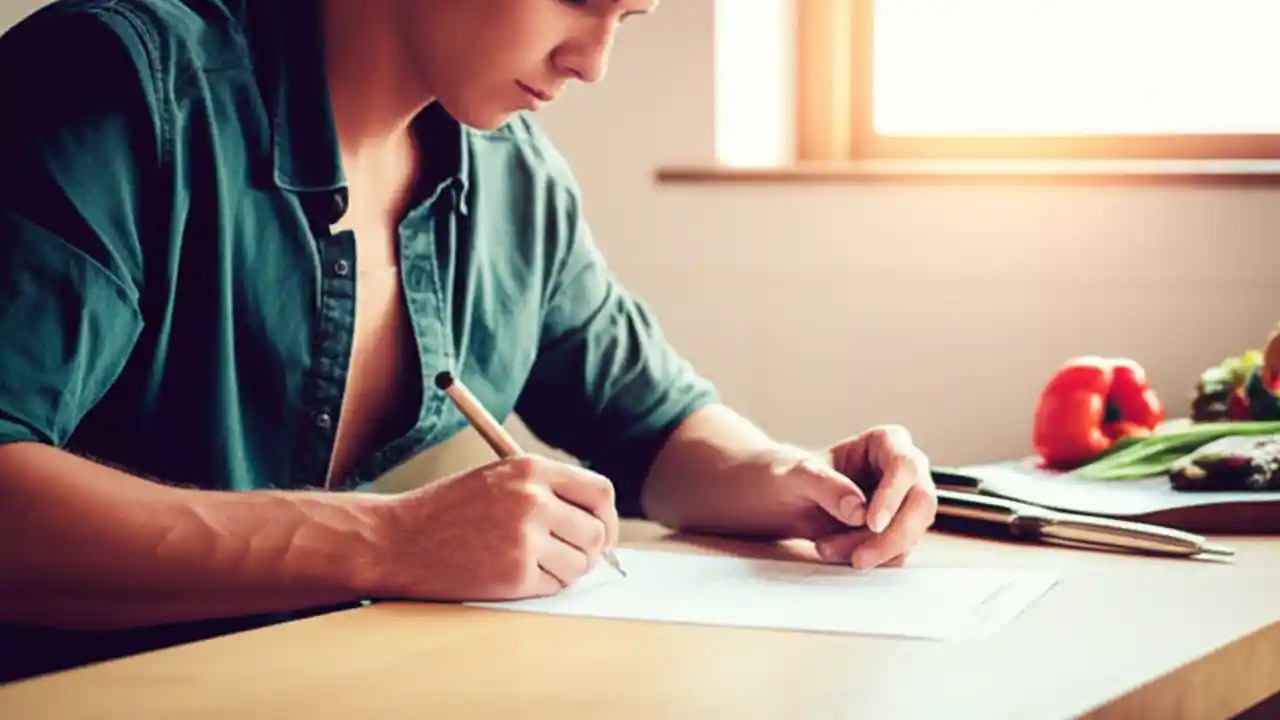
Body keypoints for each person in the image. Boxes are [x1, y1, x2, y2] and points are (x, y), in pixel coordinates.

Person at [0, 0, 937, 649]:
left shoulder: (513, 178)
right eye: (577, 2)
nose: (594, 63)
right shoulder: (114, 89)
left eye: (627, 20)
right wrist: (387, 542)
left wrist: (795, 480)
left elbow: (651, 423)